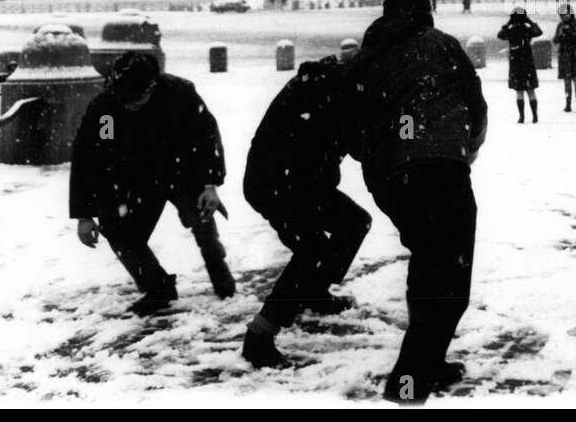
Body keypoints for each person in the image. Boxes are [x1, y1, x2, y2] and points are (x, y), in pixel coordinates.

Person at [348, 0, 487, 404]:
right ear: (426, 14)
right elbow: (474, 102)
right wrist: (469, 145)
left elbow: (351, 127)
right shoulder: (439, 45)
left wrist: (387, 154)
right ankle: (408, 386)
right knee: (450, 280)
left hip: (391, 180)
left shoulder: (365, 57)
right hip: (439, 167)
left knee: (428, 260)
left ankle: (430, 361)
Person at [69, 53, 234, 315]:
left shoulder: (180, 94)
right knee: (118, 231)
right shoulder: (108, 110)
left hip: (182, 171)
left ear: (152, 87)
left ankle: (221, 276)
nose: (130, 106)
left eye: (137, 99)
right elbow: (95, 156)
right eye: (125, 100)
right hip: (135, 180)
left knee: (202, 219)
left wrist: (209, 184)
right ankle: (157, 287)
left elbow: (206, 137)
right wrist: (85, 213)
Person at [240, 52, 372, 368]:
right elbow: (355, 143)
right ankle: (260, 335)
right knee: (312, 247)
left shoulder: (334, 85)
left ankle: (314, 291)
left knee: (354, 222)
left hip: (298, 180)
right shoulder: (333, 92)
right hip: (276, 183)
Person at [498, 6, 543, 123]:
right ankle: (535, 116)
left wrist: (508, 23)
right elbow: (538, 32)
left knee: (519, 91)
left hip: (515, 62)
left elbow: (500, 35)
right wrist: (530, 22)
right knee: (531, 90)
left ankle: (521, 116)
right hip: (527, 61)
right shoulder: (527, 30)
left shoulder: (511, 30)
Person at [553, 3, 576, 113]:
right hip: (564, 54)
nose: (565, 16)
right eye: (562, 14)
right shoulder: (560, 25)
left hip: (575, 54)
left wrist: (571, 33)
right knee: (567, 80)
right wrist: (561, 33)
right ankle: (568, 104)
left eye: (567, 13)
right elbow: (555, 40)